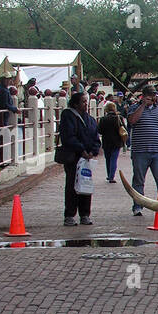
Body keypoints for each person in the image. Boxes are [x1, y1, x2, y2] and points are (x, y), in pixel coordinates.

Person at [57, 92, 101, 225]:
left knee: (86, 185)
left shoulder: (90, 119)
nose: (86, 104)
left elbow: (96, 138)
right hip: (74, 157)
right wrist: (81, 150)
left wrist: (93, 151)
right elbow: (68, 137)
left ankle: (85, 214)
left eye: (86, 101)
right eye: (83, 101)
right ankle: (69, 215)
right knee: (72, 185)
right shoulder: (68, 116)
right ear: (75, 103)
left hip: (87, 159)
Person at [126, 84, 158, 215]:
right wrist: (142, 106)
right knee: (139, 180)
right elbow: (132, 121)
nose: (153, 98)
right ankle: (138, 206)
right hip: (140, 151)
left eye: (154, 95)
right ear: (144, 96)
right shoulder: (134, 108)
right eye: (150, 95)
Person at [98, 101, 127, 181]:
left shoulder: (103, 119)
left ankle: (109, 174)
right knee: (114, 159)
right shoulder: (119, 118)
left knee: (108, 159)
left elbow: (99, 130)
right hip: (116, 141)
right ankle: (111, 176)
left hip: (106, 141)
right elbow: (124, 129)